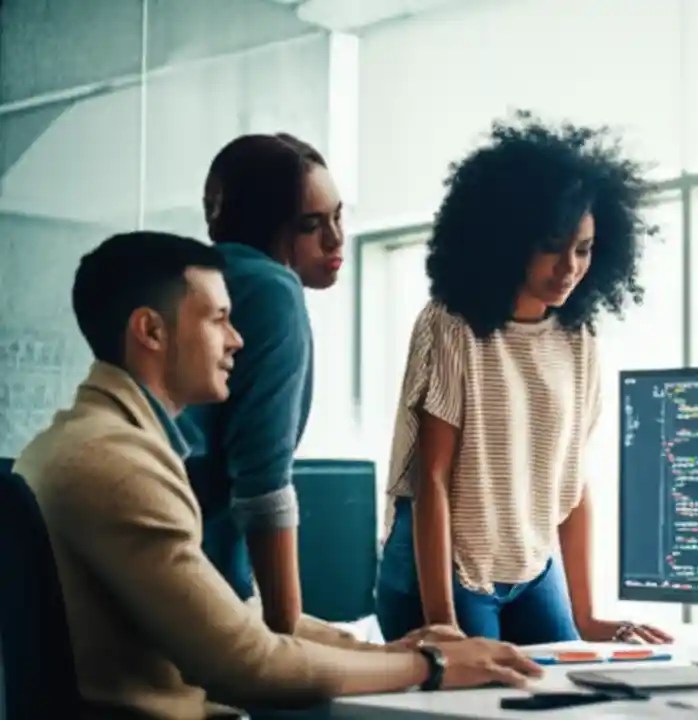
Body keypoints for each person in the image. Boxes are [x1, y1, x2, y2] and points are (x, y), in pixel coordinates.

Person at [14, 232, 542, 718]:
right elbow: (246, 663)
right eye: (218, 318)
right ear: (151, 330)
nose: (237, 340)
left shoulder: (87, 442)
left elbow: (232, 615)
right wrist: (434, 668)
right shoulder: (117, 465)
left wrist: (389, 652)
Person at [375, 112, 673, 646]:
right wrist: (442, 621)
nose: (569, 267)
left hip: (531, 564)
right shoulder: (452, 324)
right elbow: (432, 481)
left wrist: (587, 618)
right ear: (508, 240)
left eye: (583, 248)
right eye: (551, 246)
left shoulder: (578, 337)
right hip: (446, 566)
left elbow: (573, 482)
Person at [182, 133, 342, 634]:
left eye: (340, 216)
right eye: (310, 225)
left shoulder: (199, 275)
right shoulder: (273, 289)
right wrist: (285, 634)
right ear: (268, 226)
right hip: (199, 581)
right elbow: (263, 485)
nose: (336, 240)